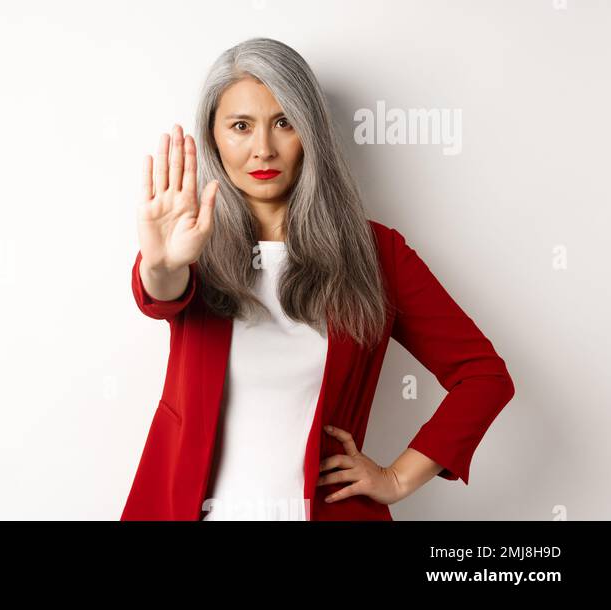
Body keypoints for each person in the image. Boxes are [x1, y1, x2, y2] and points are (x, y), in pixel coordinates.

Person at [123, 37, 515, 521]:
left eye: (284, 122)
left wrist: (397, 477)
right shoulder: (190, 247)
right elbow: (161, 295)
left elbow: (483, 376)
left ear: (311, 131)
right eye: (241, 126)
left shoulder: (376, 254)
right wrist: (160, 264)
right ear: (214, 136)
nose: (262, 149)